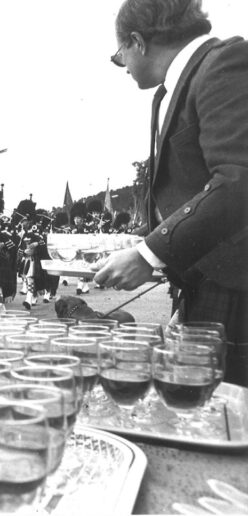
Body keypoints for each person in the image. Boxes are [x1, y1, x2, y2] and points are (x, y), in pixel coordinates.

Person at [95, 0, 248, 386]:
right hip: (206, 284)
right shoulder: (172, 88)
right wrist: (146, 243)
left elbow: (237, 182)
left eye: (119, 54)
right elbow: (192, 190)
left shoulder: (225, 63)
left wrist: (148, 253)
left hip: (237, 291)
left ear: (138, 41)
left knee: (224, 413)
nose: (123, 66)